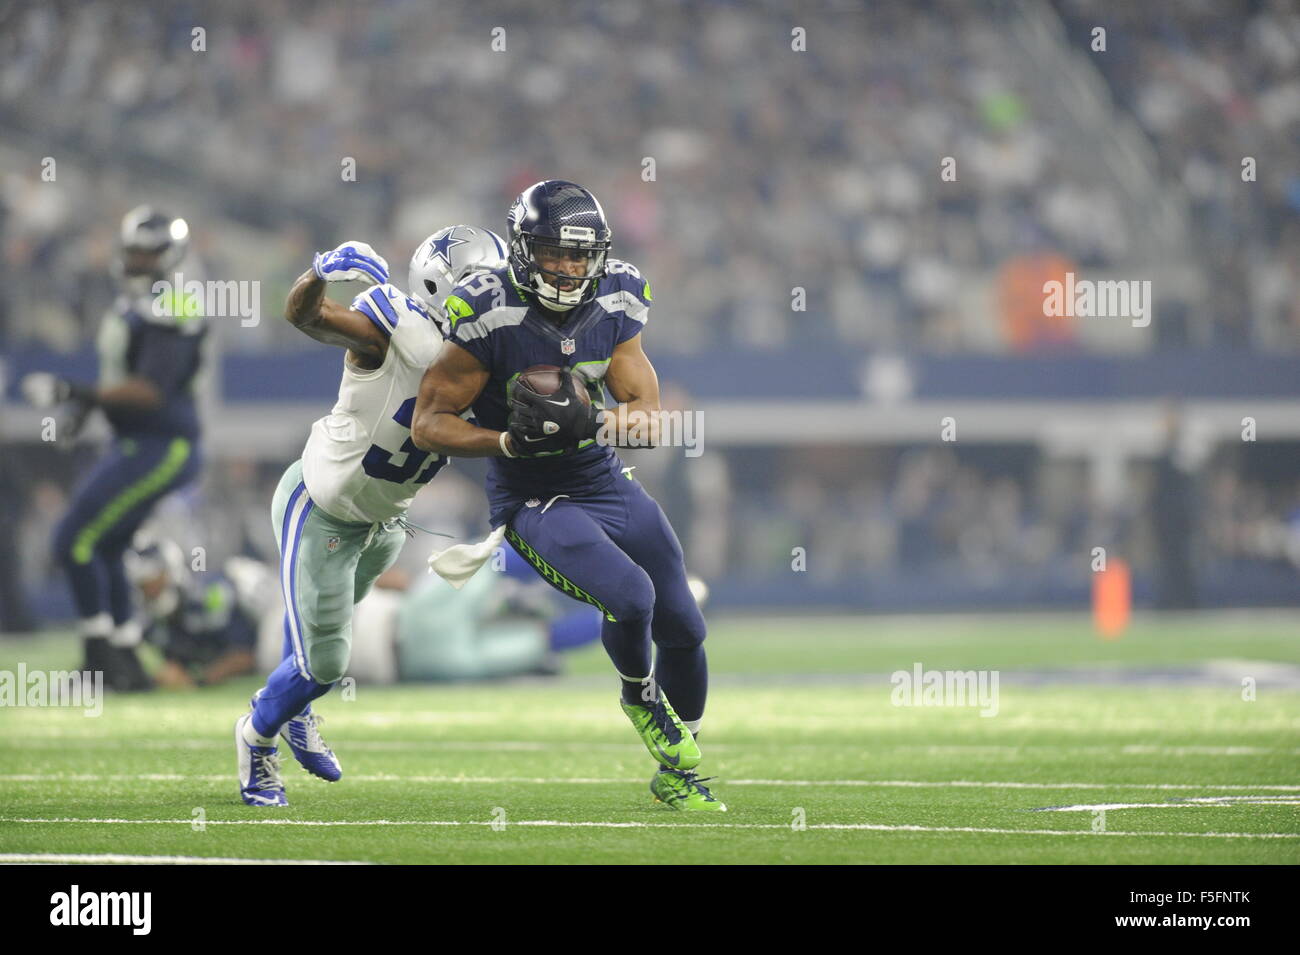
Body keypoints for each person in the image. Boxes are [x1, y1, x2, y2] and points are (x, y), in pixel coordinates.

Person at [411, 180, 723, 811]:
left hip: (599, 475)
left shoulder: (618, 297)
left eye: (580, 255)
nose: (568, 267)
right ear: (524, 252)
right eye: (554, 252)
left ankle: (679, 769)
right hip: (531, 495)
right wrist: (507, 442)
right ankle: (639, 696)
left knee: (684, 625)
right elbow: (428, 424)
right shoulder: (488, 309)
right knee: (630, 597)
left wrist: (595, 422)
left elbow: (647, 410)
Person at [235, 226, 506, 806]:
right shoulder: (392, 335)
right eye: (483, 291)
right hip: (323, 509)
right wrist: (319, 274)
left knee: (314, 635)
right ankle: (258, 736)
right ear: (443, 288)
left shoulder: (484, 358)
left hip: (383, 522)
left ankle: (296, 708)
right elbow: (305, 316)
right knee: (327, 660)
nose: (497, 303)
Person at [21, 206, 205, 691]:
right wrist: (83, 410)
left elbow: (150, 390)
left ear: (170, 255)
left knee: (71, 539)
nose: (139, 260)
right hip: (139, 441)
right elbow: (120, 381)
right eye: (134, 251)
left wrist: (74, 393)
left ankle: (99, 663)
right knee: (105, 545)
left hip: (164, 442)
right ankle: (123, 660)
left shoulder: (177, 301)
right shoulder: (135, 302)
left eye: (149, 252)